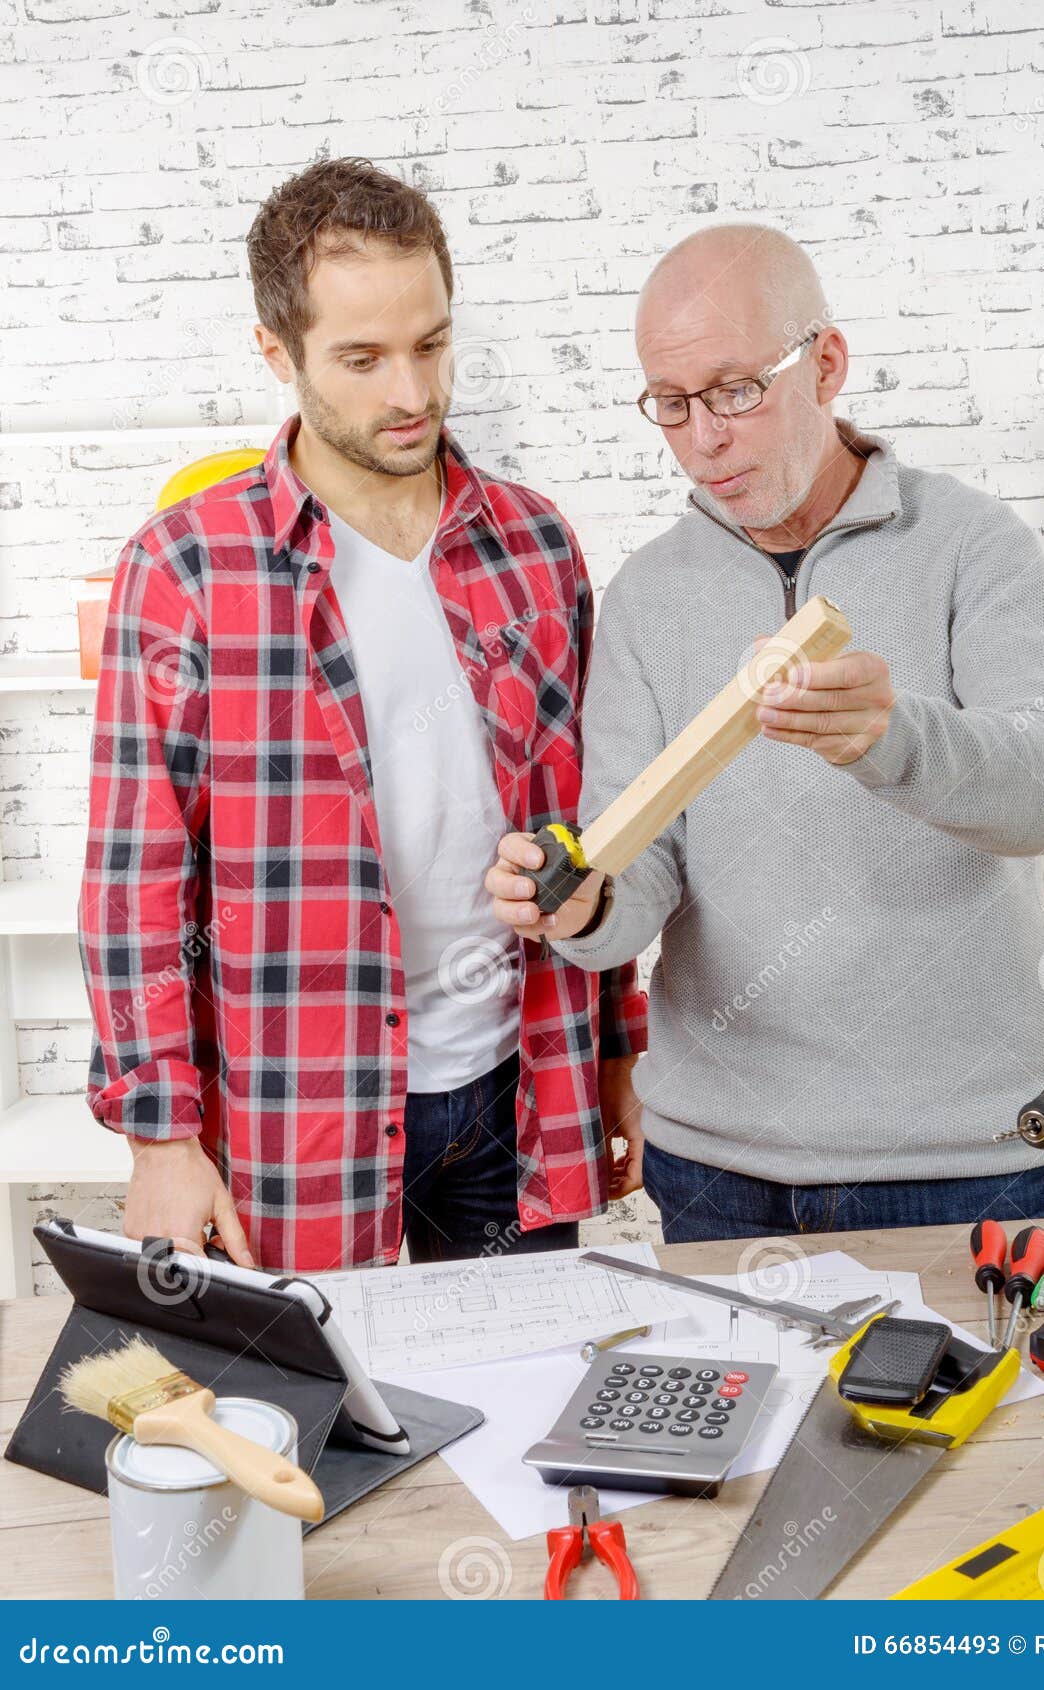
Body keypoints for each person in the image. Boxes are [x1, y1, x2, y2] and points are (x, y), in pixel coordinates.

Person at [78, 158, 646, 1272]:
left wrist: (615, 1051)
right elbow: (134, 874)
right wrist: (160, 1136)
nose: (413, 393)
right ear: (277, 354)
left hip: (514, 1086)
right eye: (363, 358)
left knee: (527, 1416)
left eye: (430, 344)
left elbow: (595, 819)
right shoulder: (188, 567)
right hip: (299, 1112)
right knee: (317, 1424)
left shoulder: (534, 545)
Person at [488, 223, 1044, 1245]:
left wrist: (888, 739)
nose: (702, 439)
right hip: (715, 1167)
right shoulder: (649, 594)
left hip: (959, 1161)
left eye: (734, 389)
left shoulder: (971, 545)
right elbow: (636, 870)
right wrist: (578, 895)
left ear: (825, 363)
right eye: (671, 404)